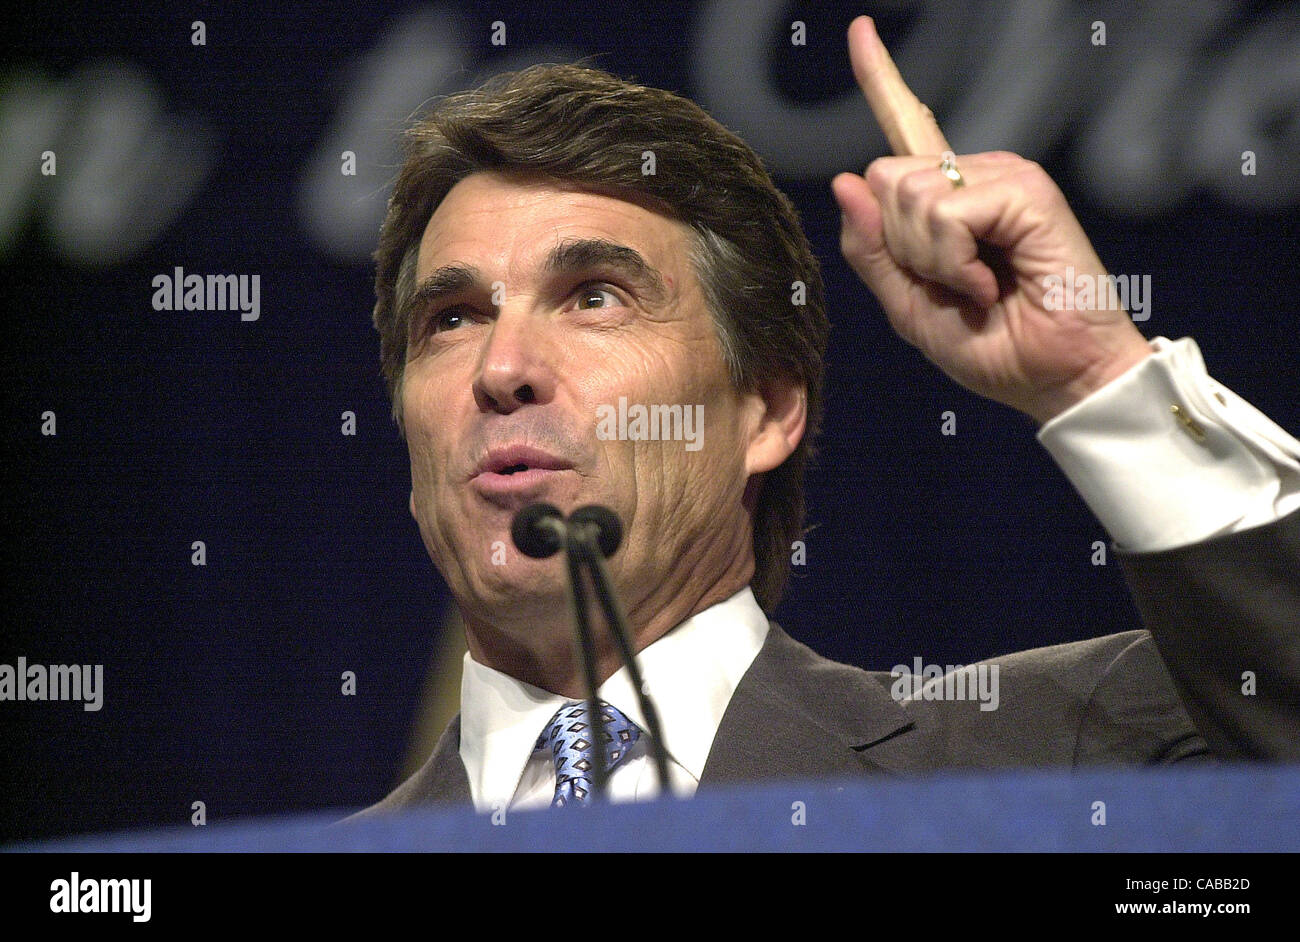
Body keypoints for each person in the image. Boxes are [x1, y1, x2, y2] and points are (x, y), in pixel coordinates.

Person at [350, 17, 1300, 815]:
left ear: (764, 411)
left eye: (596, 296)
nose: (501, 368)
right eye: (453, 318)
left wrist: (1102, 381)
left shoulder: (1061, 761)